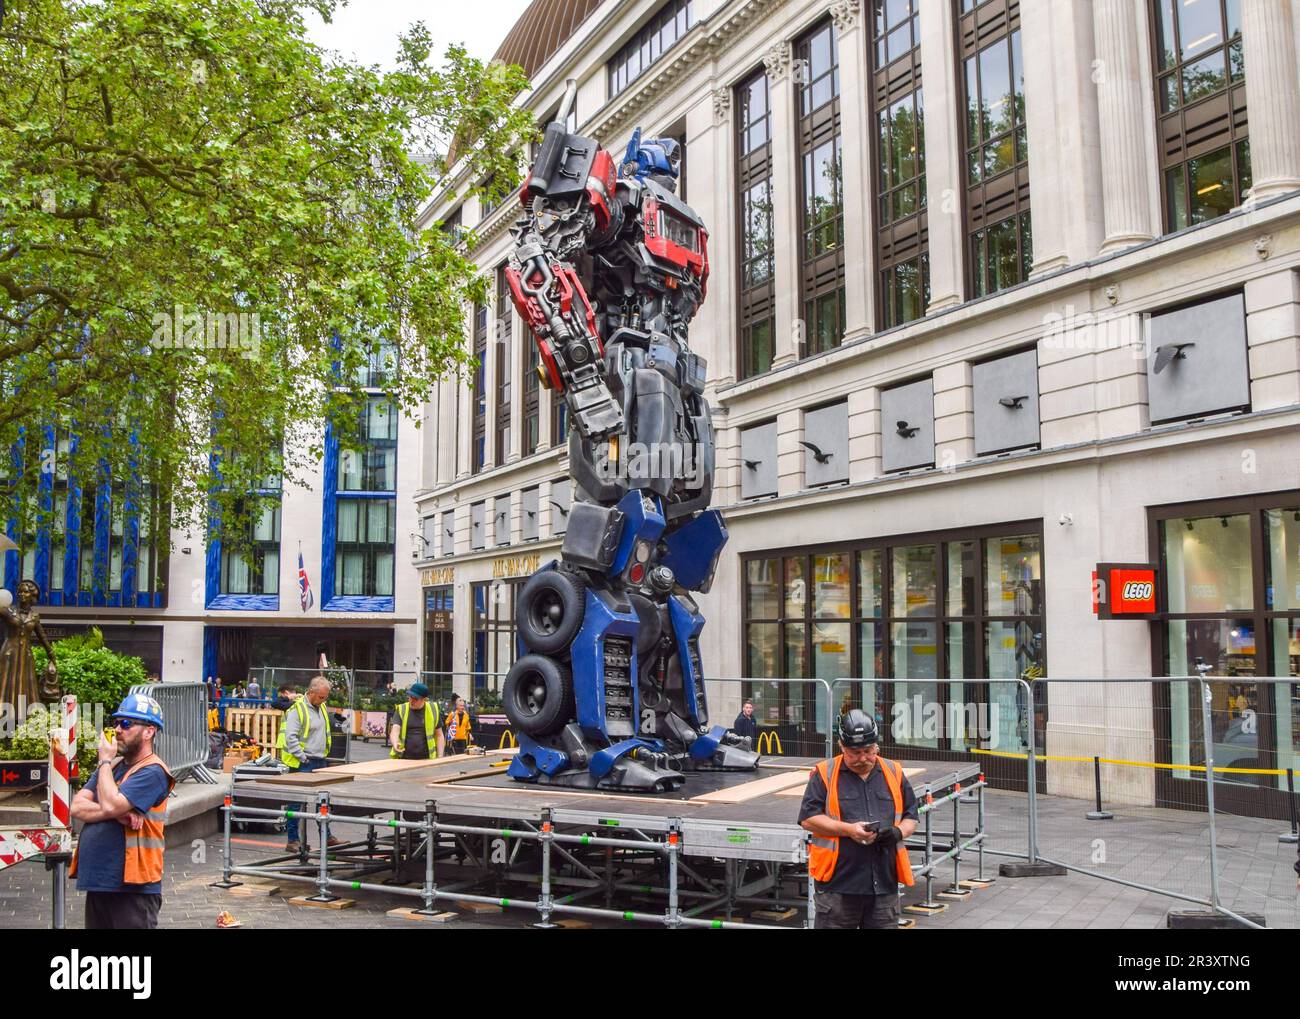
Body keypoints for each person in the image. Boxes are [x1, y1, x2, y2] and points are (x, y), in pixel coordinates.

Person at [798, 709, 919, 929]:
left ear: (876, 746)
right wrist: (849, 830)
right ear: (841, 747)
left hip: (883, 884)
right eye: (854, 753)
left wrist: (897, 832)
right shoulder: (825, 774)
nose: (862, 758)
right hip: (838, 886)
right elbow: (808, 818)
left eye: (868, 751)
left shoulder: (894, 772)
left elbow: (911, 816)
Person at [69, 693, 173, 929]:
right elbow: (77, 806)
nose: (117, 729)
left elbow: (110, 803)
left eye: (126, 724)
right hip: (100, 882)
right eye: (116, 723)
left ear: (149, 731)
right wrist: (118, 813)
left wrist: (104, 762)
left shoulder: (153, 771)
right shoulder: (114, 767)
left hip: (133, 887)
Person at [276, 676, 341, 853]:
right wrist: (303, 757)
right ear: (311, 692)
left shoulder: (321, 707)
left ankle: (326, 837)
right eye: (321, 697)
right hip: (303, 762)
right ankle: (293, 840)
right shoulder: (298, 709)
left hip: (319, 760)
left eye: (325, 697)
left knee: (323, 802)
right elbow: (291, 737)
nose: (323, 700)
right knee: (296, 802)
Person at [389, 683, 444, 760]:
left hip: (427, 759)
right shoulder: (402, 709)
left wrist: (440, 757)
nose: (411, 700)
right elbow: (395, 730)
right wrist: (395, 743)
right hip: (403, 758)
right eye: (410, 697)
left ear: (424, 699)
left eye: (415, 698)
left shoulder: (433, 710)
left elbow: (439, 735)